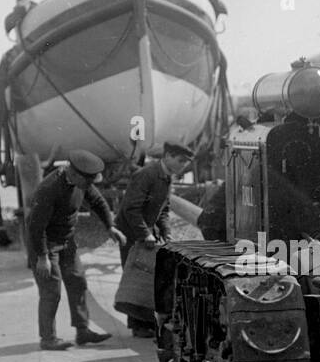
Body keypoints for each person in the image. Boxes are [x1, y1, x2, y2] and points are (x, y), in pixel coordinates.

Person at [26, 149, 124, 349]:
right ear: (75, 174)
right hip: (45, 244)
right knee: (51, 291)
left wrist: (110, 226)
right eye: (87, 181)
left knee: (78, 281)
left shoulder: (81, 182)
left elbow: (98, 201)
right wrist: (42, 257)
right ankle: (48, 339)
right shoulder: (49, 189)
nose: (89, 185)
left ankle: (82, 331)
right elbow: (36, 227)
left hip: (67, 241)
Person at [114, 143, 194, 337]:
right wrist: (145, 234)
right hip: (131, 232)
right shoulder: (147, 174)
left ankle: (146, 322)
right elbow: (131, 208)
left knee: (150, 275)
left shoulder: (167, 177)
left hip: (145, 230)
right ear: (167, 156)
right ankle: (138, 326)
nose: (183, 165)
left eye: (186, 162)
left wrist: (166, 231)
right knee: (136, 274)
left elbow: (163, 209)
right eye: (180, 160)